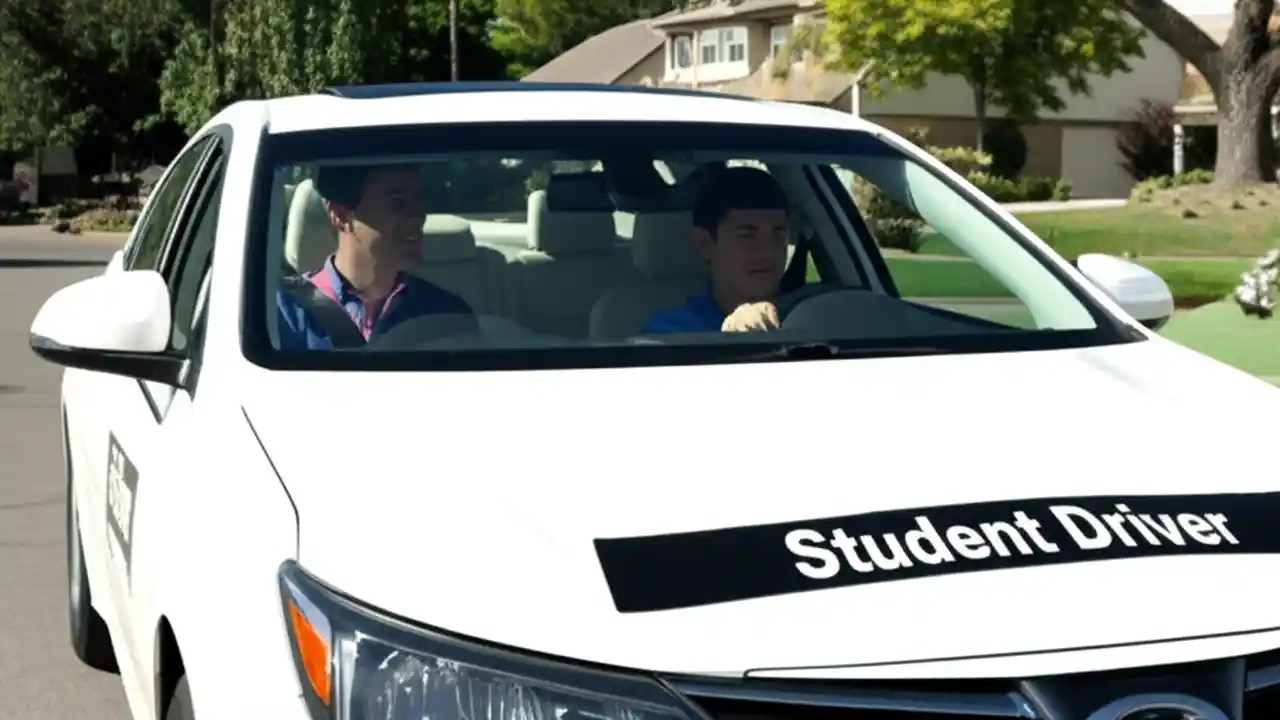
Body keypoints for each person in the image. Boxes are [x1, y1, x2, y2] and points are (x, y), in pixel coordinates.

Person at [276, 163, 474, 350]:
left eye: (419, 200)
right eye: (398, 202)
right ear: (342, 216)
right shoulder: (285, 313)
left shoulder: (446, 314)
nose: (418, 216)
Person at [642, 165, 791, 334]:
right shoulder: (671, 335)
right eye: (747, 235)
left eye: (779, 233)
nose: (767, 251)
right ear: (705, 244)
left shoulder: (815, 314)